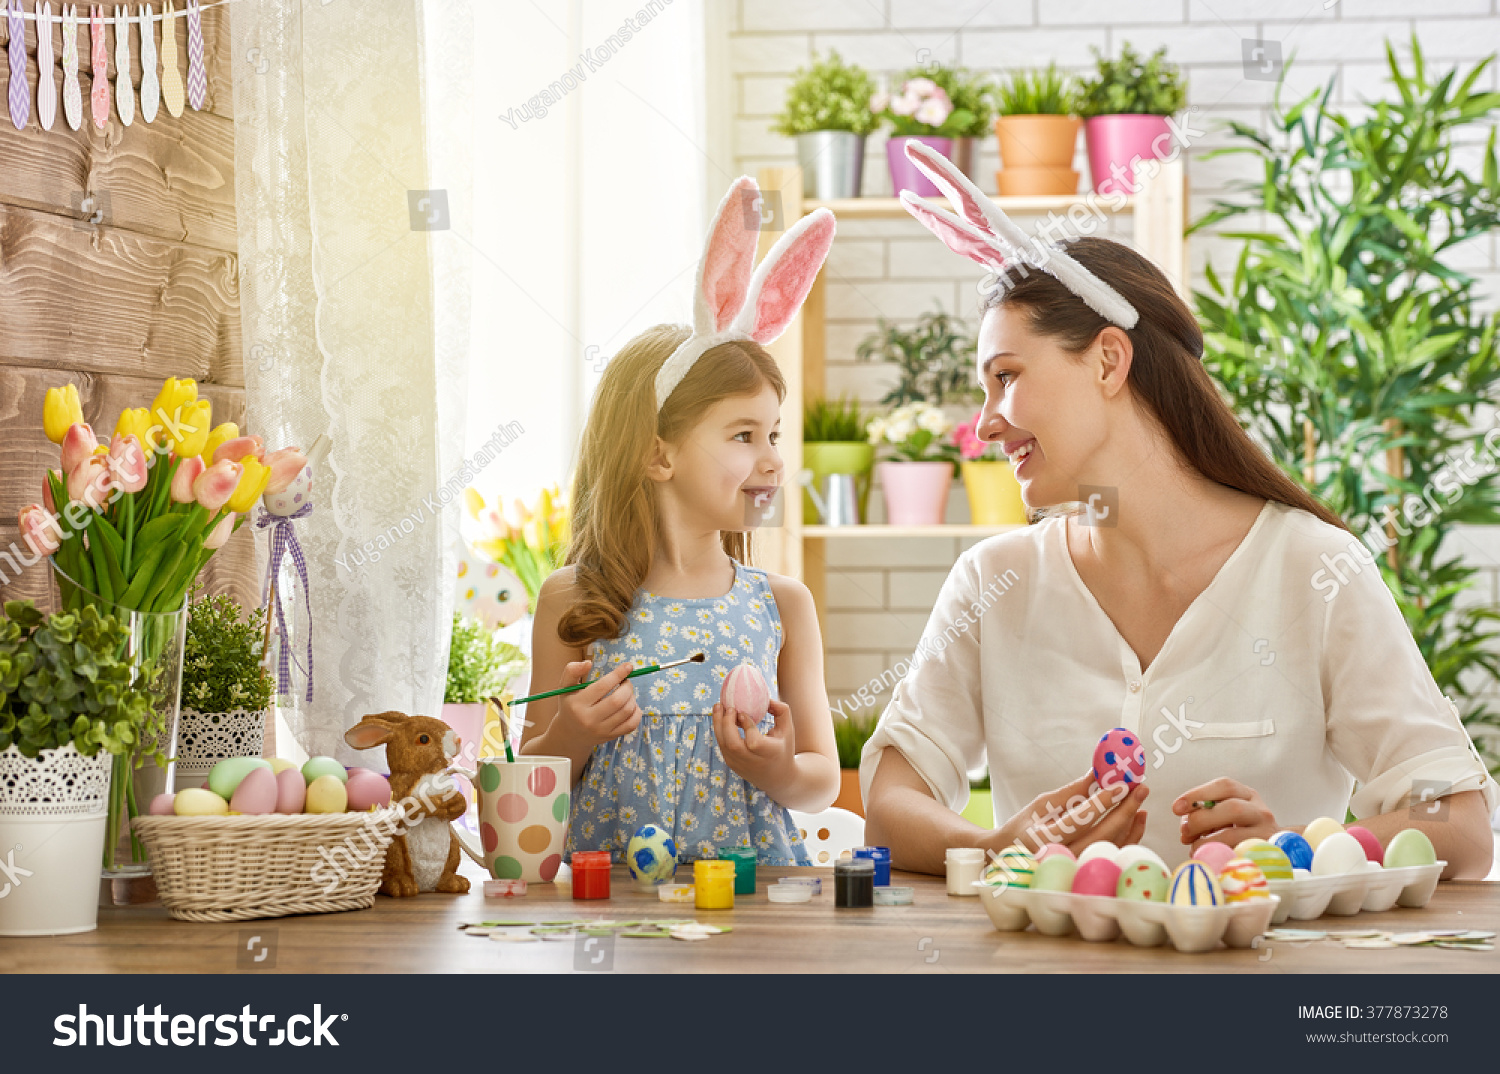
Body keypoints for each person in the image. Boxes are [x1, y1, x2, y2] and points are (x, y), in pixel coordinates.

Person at [860, 142, 1497, 878]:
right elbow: (891, 802)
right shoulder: (994, 583)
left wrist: (1297, 848)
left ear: (1107, 361)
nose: (986, 423)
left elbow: (1456, 820)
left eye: (1005, 377)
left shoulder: (1313, 570)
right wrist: (996, 848)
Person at [520, 177, 840, 865]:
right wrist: (573, 735)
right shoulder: (572, 601)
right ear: (657, 455)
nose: (772, 461)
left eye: (774, 435)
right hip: (614, 927)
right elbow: (526, 789)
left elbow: (822, 776)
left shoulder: (782, 604)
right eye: (742, 436)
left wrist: (777, 770)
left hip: (750, 929)